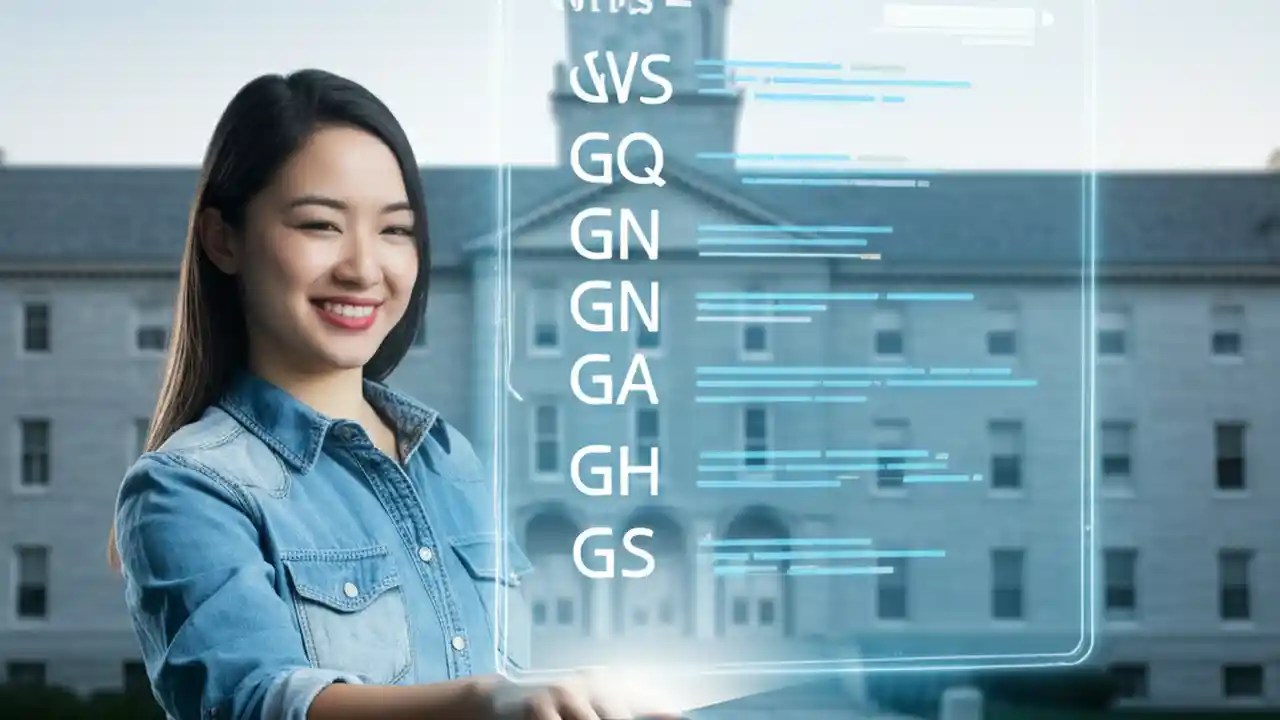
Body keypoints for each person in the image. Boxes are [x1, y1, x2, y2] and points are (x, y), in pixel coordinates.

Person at [105, 69, 670, 720]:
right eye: (320, 225)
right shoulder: (186, 489)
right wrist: (485, 702)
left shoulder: (449, 459)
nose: (364, 268)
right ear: (222, 238)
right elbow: (255, 701)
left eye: (395, 230)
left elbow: (513, 671)